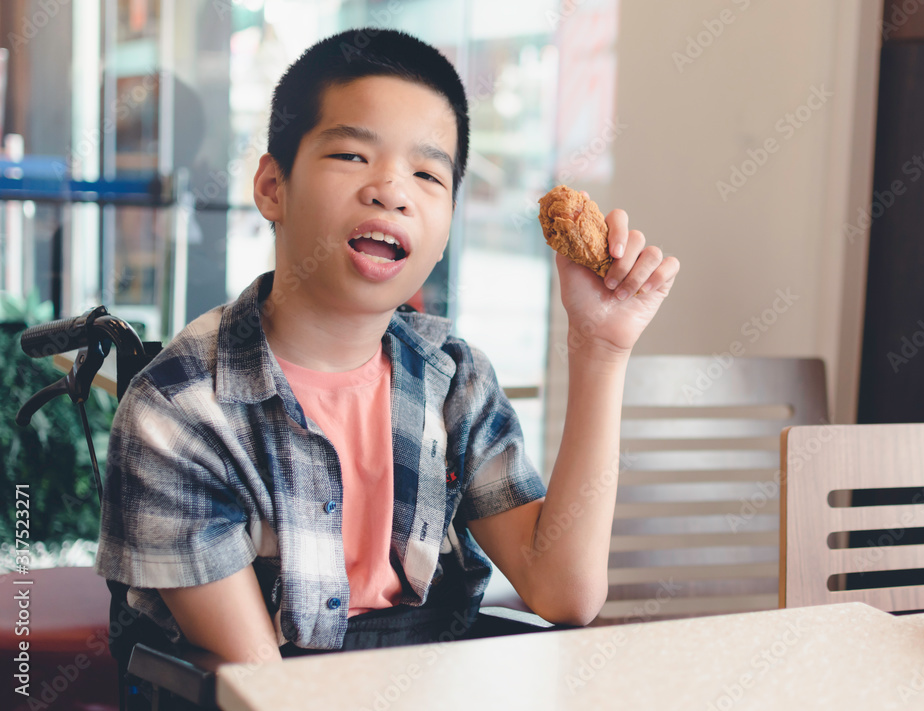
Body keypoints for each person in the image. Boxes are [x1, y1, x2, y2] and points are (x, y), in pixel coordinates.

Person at [95, 28, 680, 665]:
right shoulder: (178, 411)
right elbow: (262, 685)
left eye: (428, 173)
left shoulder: (454, 381)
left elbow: (562, 592)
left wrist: (599, 350)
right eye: (352, 156)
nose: (390, 190)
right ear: (271, 187)